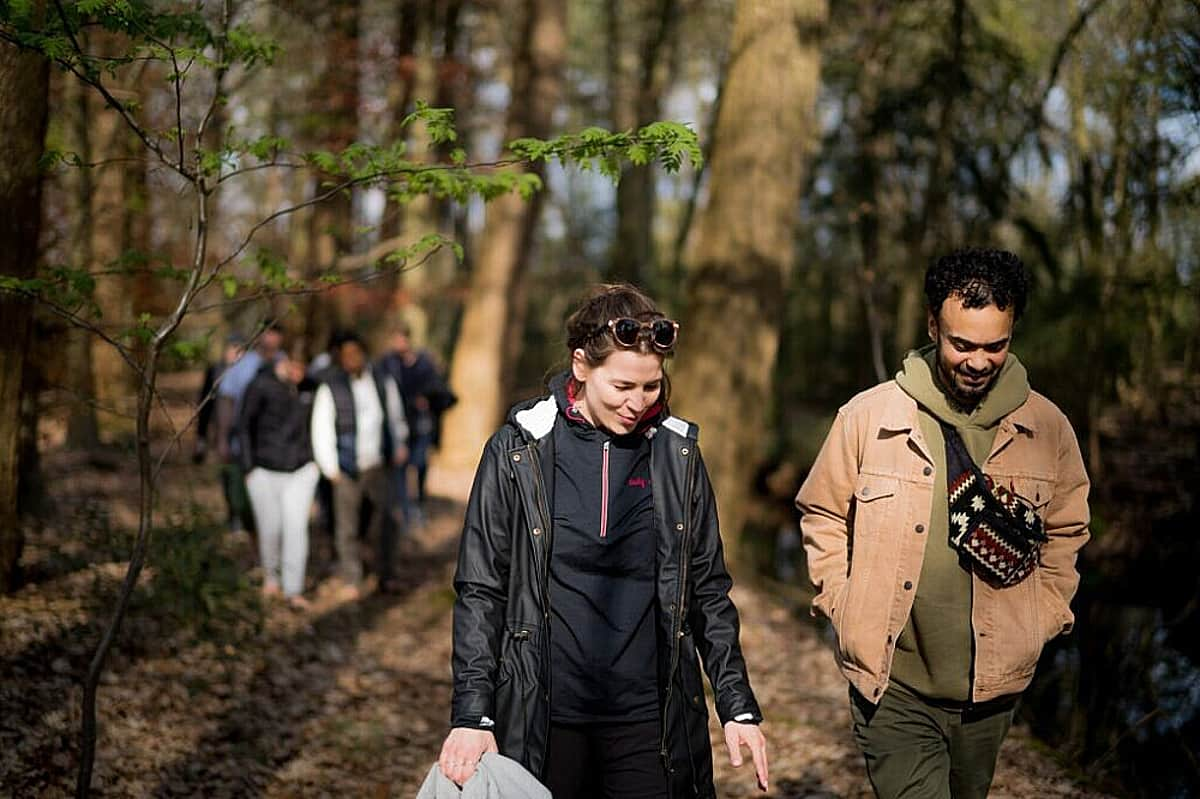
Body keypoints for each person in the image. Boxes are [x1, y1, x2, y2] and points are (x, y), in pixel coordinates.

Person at [438, 284, 768, 799]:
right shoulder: (518, 450)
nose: (638, 403)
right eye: (621, 387)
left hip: (648, 722)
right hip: (543, 718)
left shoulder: (676, 456)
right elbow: (481, 589)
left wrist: (737, 705)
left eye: (651, 387)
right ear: (580, 368)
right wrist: (472, 714)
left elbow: (707, 590)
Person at [795, 249, 1091, 799]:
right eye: (962, 344)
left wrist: (1044, 616)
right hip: (893, 689)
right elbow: (823, 511)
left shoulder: (1047, 428)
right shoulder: (869, 416)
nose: (978, 361)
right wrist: (841, 601)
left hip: (993, 694)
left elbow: (1068, 532)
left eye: (994, 346)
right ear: (933, 324)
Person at [310, 331, 408, 599]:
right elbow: (322, 428)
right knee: (347, 526)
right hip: (347, 468)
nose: (353, 358)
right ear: (340, 358)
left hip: (379, 463)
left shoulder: (380, 380)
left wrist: (399, 443)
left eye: (357, 353)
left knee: (388, 521)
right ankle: (351, 577)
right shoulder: (331, 386)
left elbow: (395, 414)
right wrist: (330, 467)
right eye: (347, 355)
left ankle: (387, 575)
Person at [236, 354, 320, 609]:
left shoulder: (311, 387)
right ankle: (271, 578)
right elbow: (244, 425)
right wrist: (249, 468)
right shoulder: (260, 385)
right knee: (270, 529)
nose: (295, 369)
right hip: (264, 469)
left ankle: (293, 588)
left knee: (296, 529)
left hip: (301, 469)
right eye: (290, 363)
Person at [376, 321, 457, 527]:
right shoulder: (387, 364)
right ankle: (405, 510)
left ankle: (418, 503)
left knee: (420, 464)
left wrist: (428, 399)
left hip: (422, 423)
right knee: (400, 467)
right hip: (399, 424)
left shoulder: (423, 362)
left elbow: (439, 389)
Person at [215, 321, 285, 535]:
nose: (271, 340)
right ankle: (255, 542)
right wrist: (223, 438)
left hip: (277, 447)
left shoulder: (286, 364)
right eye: (268, 334)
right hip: (243, 444)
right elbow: (227, 401)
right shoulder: (241, 365)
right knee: (244, 502)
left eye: (276, 336)